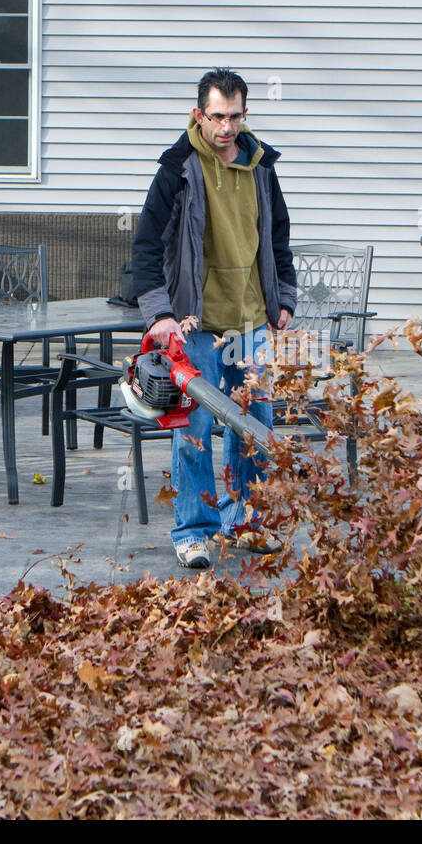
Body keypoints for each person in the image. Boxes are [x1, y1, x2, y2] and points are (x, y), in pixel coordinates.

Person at [132, 68, 297, 569]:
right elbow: (145, 248)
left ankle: (244, 522)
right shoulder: (177, 169)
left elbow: (279, 237)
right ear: (198, 114)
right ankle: (193, 531)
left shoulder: (262, 167)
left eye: (235, 116)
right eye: (217, 116)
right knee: (195, 429)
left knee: (253, 427)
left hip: (250, 322)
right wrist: (160, 313)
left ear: (245, 114)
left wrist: (284, 298)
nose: (226, 127)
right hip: (194, 326)